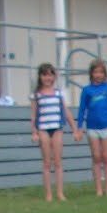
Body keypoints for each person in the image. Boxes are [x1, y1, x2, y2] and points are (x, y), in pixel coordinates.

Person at [76, 59, 107, 198]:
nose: (98, 75)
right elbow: (82, 109)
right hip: (92, 127)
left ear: (104, 74)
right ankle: (98, 189)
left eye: (100, 72)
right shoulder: (87, 90)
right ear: (91, 74)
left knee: (106, 157)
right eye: (95, 72)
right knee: (96, 157)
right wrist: (79, 127)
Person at [30, 62, 74, 202]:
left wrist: (74, 127)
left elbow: (65, 111)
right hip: (43, 128)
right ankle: (48, 194)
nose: (47, 78)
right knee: (46, 162)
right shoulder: (36, 95)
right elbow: (33, 114)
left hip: (57, 128)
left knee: (58, 161)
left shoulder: (58, 93)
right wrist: (34, 131)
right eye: (44, 75)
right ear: (40, 77)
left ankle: (60, 193)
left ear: (54, 76)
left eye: (50, 74)